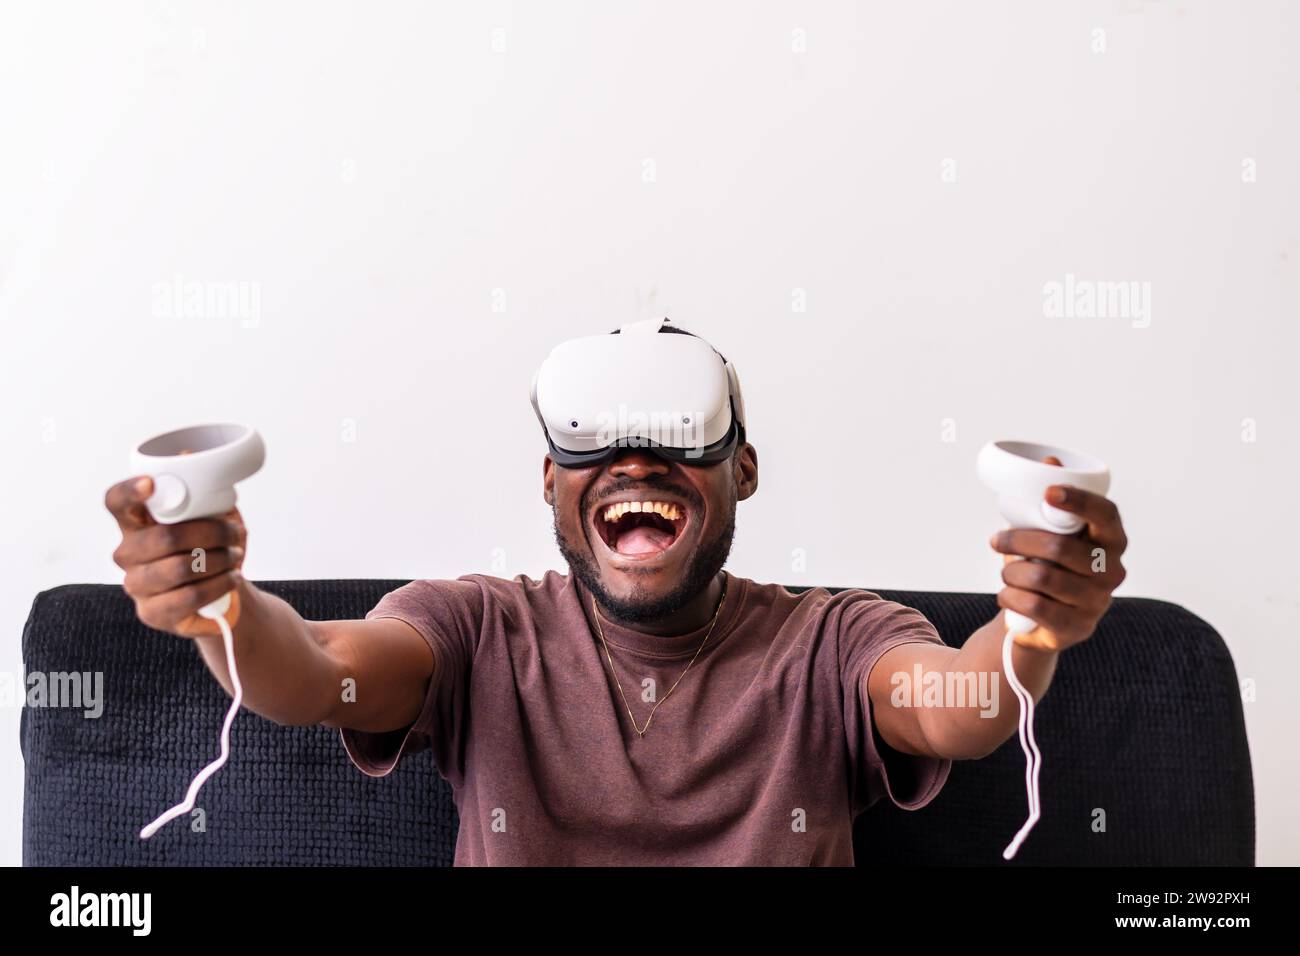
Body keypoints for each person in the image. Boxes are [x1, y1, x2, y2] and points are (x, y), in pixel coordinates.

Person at [104, 322, 1129, 865]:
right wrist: (223, 601)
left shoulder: (835, 636)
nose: (636, 459)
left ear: (745, 469)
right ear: (551, 480)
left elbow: (964, 709)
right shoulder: (475, 627)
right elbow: (316, 677)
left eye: (678, 436)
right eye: (596, 439)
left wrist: (1036, 618)